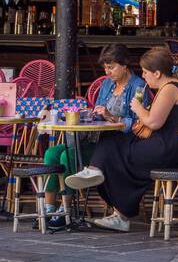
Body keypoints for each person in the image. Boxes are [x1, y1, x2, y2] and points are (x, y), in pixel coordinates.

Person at [64, 46, 178, 231]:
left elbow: (154, 122)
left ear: (157, 73)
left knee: (117, 155)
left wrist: (138, 108)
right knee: (114, 142)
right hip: (165, 144)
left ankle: (118, 209)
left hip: (168, 148)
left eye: (146, 72)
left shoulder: (169, 89)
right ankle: (101, 181)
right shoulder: (170, 86)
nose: (143, 75)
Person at [40, 43, 147, 226]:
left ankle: (65, 210)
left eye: (111, 67)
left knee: (68, 155)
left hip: (117, 146)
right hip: (95, 139)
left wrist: (111, 116)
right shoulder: (106, 84)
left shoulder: (138, 87)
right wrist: (89, 114)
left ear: (125, 64)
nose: (107, 71)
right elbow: (98, 111)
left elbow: (138, 124)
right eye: (105, 67)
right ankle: (48, 208)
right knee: (52, 153)